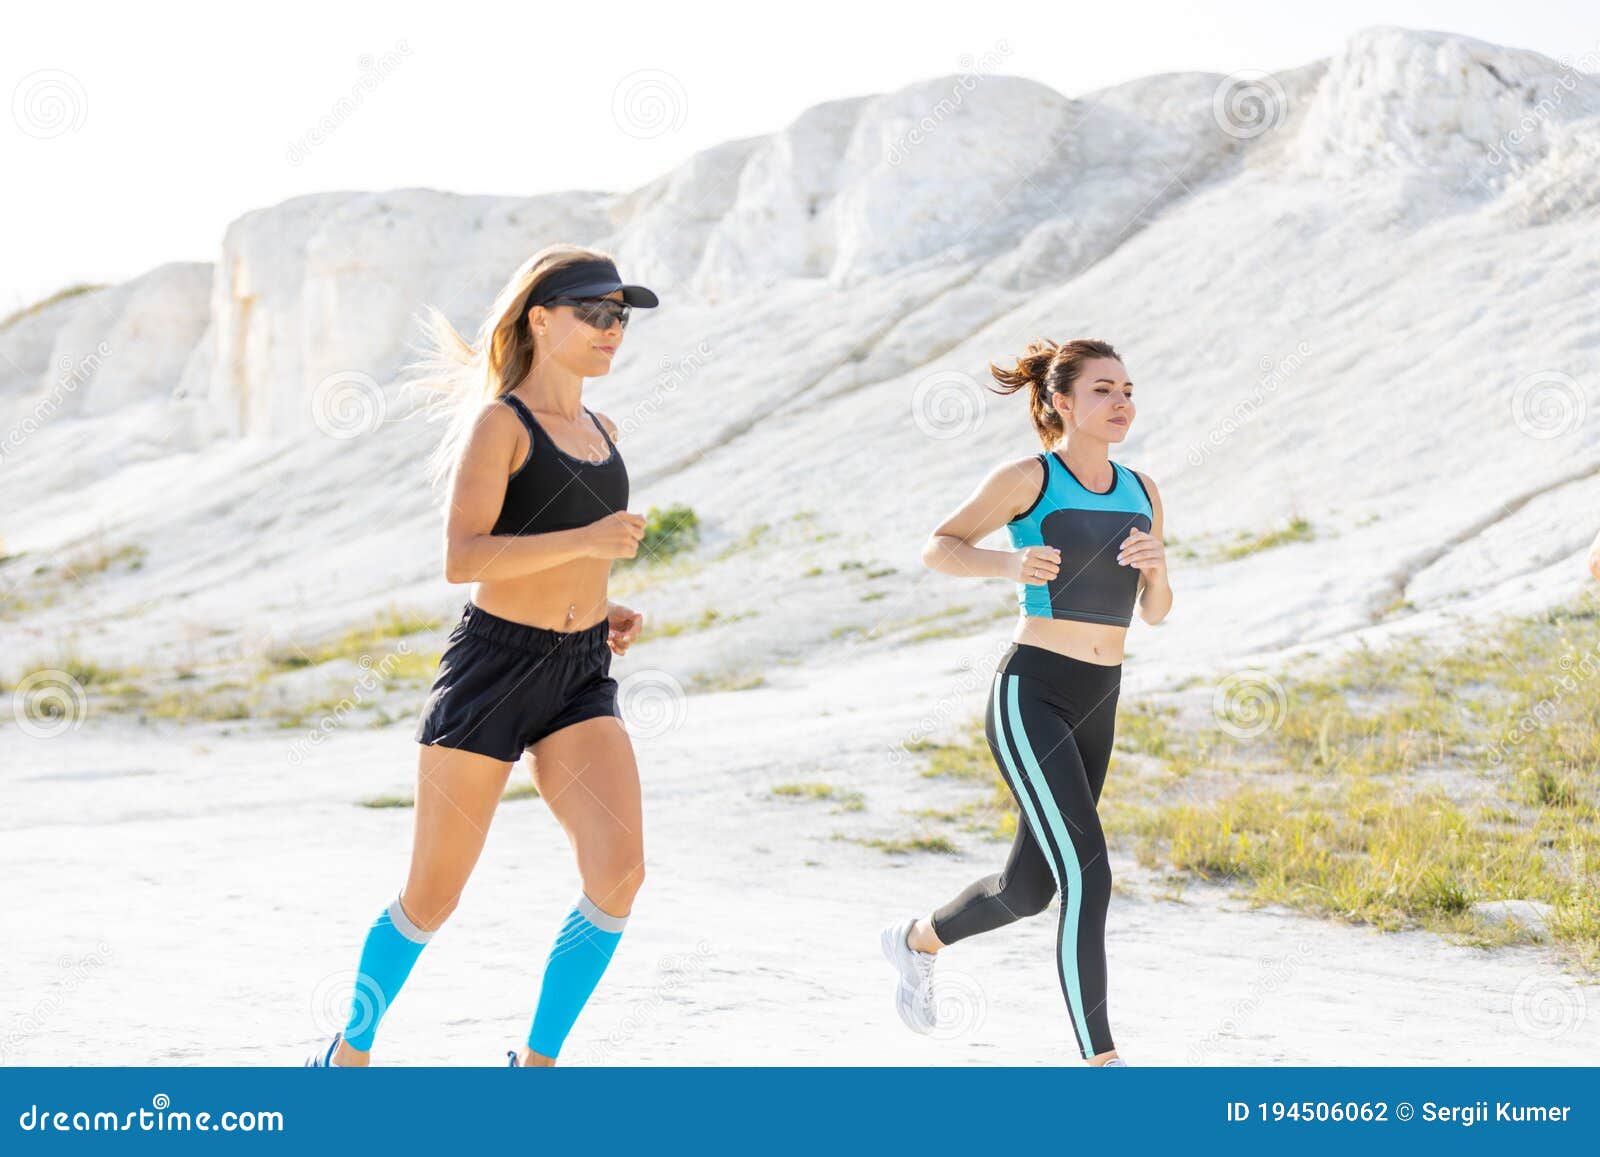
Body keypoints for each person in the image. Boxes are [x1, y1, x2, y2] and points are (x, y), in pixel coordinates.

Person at [307, 246, 658, 1067]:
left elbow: (555, 549)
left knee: (620, 875)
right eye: (596, 313)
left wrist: (598, 601)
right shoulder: (502, 423)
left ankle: (533, 1070)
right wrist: (590, 542)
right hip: (492, 672)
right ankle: (348, 1053)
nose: (614, 330)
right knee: (434, 893)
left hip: (578, 673)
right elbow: (464, 558)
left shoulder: (605, 430)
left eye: (623, 316)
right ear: (542, 318)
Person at [881, 338, 1171, 1067]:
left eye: (1128, 388)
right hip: (1032, 689)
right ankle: (1102, 1065)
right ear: (1062, 402)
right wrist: (1007, 563)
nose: (1122, 401)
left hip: (1100, 697)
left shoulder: (1144, 489)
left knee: (1029, 886)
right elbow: (939, 546)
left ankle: (915, 939)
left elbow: (1156, 611)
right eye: (1104, 388)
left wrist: (1158, 570)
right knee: (1088, 872)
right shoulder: (1029, 478)